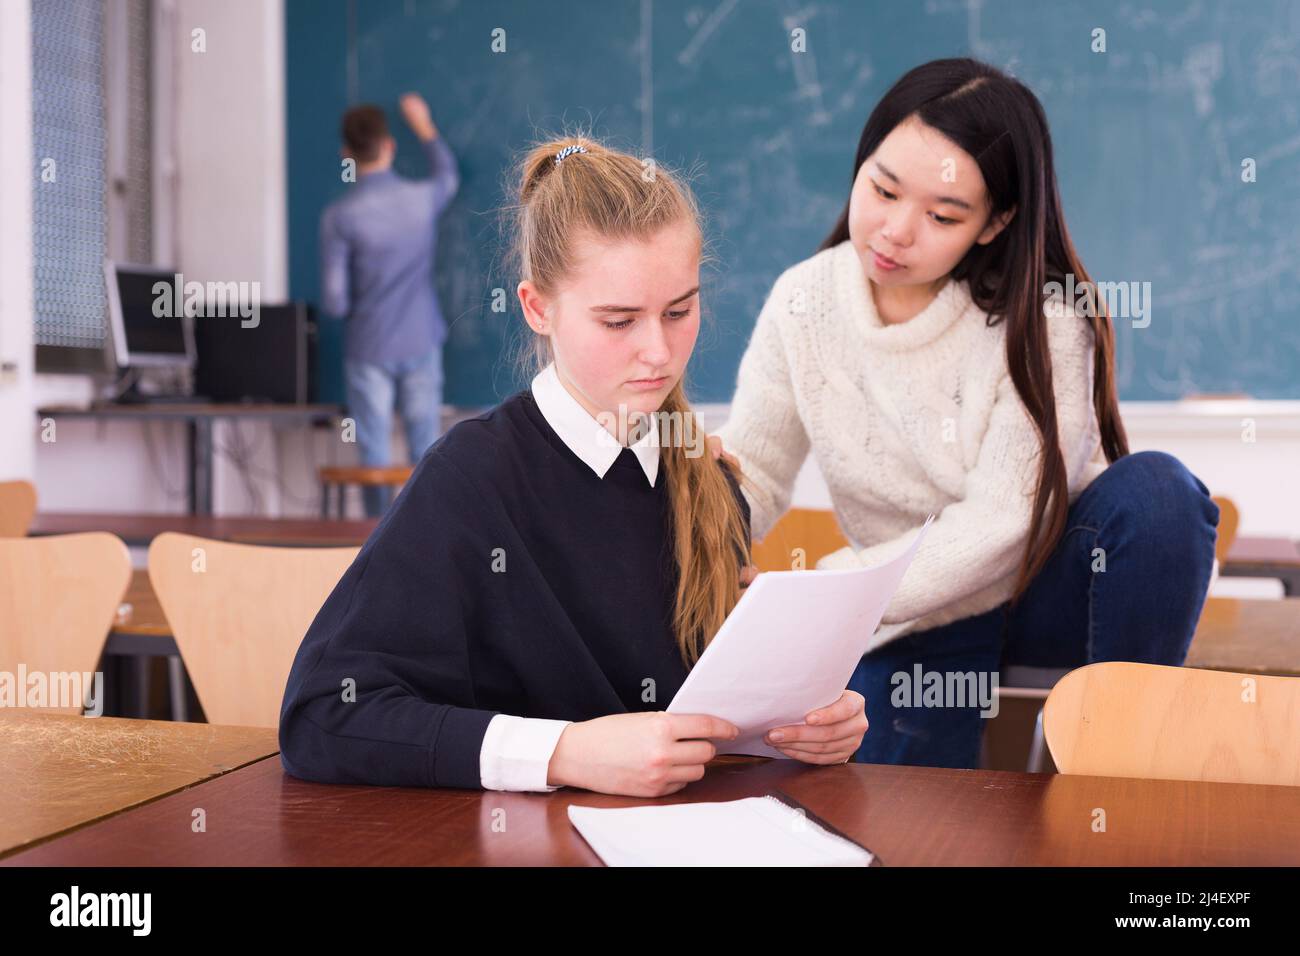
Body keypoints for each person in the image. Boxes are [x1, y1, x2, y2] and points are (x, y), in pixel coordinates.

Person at [281, 135, 868, 795]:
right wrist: (564, 753)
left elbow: (709, 720)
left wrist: (801, 723)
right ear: (538, 309)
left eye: (679, 311)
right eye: (619, 322)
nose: (658, 352)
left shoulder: (707, 475)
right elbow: (322, 717)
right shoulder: (472, 477)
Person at [711, 58, 1219, 769]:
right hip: (910, 614)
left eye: (943, 215)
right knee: (891, 827)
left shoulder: (1046, 320)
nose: (894, 231)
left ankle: (1130, 768)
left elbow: (1005, 520)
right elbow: (757, 468)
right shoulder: (805, 298)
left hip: (1041, 590)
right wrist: (698, 524)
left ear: (994, 222)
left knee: (1161, 493)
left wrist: (829, 584)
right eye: (882, 190)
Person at [320, 92, 459, 516]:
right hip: (421, 337)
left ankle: (377, 547)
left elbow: (334, 301)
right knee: (426, 451)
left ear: (347, 153)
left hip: (368, 346)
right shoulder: (421, 199)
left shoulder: (340, 216)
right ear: (389, 145)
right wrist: (423, 124)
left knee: (374, 452)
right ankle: (427, 534)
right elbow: (448, 175)